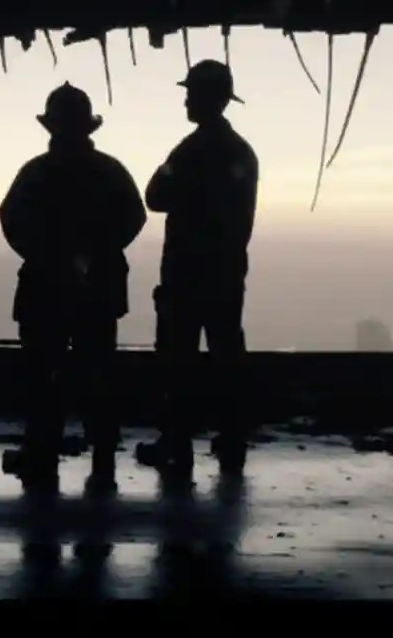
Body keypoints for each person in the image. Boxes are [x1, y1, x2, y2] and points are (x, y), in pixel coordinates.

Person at [0, 82, 147, 492]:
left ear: (52, 127)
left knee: (43, 372)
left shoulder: (35, 172)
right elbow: (135, 216)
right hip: (98, 288)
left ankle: (40, 450)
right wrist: (98, 254)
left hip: (44, 289)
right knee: (97, 369)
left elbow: (10, 219)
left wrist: (44, 256)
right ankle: (102, 451)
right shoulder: (110, 171)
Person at [135, 60, 259, 476]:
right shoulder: (241, 153)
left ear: (207, 98)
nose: (186, 100)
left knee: (176, 357)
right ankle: (232, 438)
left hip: (186, 273)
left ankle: (176, 441)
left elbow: (154, 196)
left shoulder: (189, 152)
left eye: (191, 93)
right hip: (225, 272)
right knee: (227, 353)